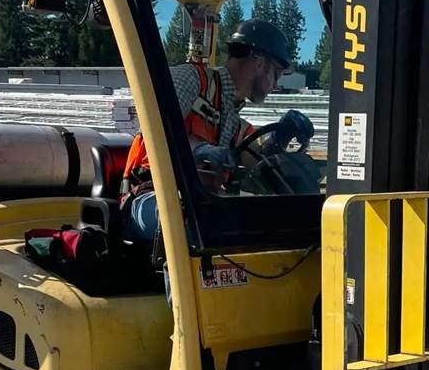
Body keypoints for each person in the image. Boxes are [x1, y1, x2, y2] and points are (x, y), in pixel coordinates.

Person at [121, 19, 308, 242]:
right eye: (276, 73)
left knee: (261, 221)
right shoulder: (191, 79)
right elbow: (156, 127)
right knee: (200, 222)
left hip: (201, 202)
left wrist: (280, 139)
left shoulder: (235, 123)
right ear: (259, 62)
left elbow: (258, 163)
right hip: (149, 196)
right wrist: (197, 149)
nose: (275, 83)